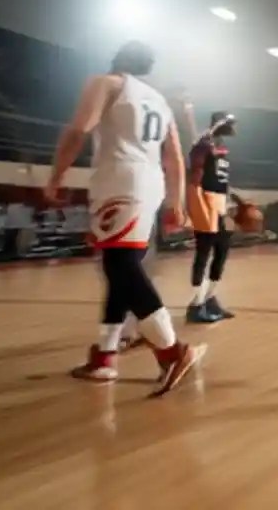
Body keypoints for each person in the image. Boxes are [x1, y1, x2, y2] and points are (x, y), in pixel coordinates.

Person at [45, 40, 206, 396]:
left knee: (120, 266)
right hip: (148, 182)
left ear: (116, 58)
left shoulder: (106, 83)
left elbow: (78, 130)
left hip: (119, 178)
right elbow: (175, 157)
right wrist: (176, 201)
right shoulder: (159, 100)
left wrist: (56, 174)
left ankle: (171, 350)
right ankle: (105, 356)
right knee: (119, 265)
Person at [185, 111, 245, 323]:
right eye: (230, 123)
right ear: (220, 124)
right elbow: (196, 173)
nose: (234, 127)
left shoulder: (221, 146)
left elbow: (221, 178)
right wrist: (196, 203)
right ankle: (196, 304)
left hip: (220, 201)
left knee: (222, 251)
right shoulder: (204, 143)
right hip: (205, 199)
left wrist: (233, 199)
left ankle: (210, 298)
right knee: (204, 252)